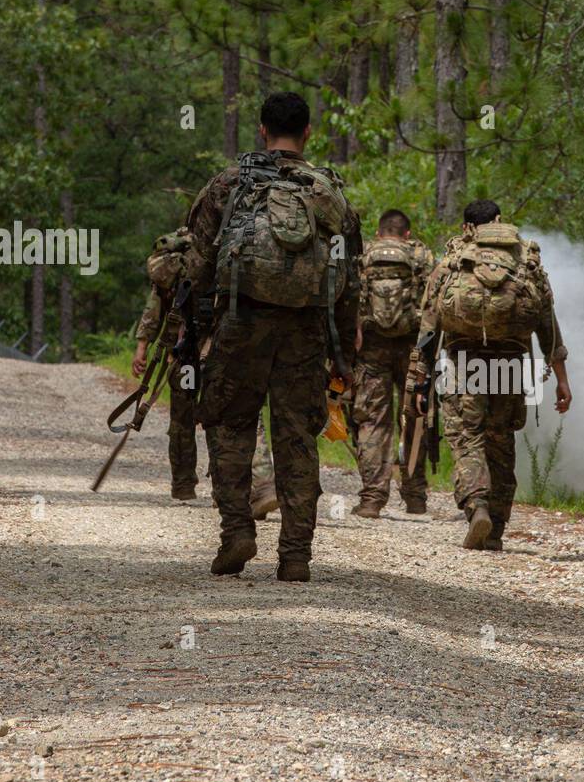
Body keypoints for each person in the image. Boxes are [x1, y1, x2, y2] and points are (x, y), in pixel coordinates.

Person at [182, 91, 361, 581]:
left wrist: (195, 333)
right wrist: (344, 352)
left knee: (230, 425)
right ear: (308, 133)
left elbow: (196, 267)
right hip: (306, 330)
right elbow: (349, 278)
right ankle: (296, 555)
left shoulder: (229, 185)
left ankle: (237, 531)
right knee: (297, 436)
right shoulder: (329, 193)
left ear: (262, 131)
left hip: (241, 321)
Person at [408, 199, 572, 550]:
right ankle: (496, 527)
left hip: (463, 362)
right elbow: (548, 326)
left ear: (468, 227)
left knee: (468, 438)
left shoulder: (454, 261)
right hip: (510, 364)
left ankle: (477, 504)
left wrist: (418, 380)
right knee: (500, 440)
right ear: (498, 221)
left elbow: (428, 326)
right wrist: (561, 379)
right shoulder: (525, 262)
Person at [132, 228, 277, 517]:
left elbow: (156, 304)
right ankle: (237, 486)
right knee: (226, 414)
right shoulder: (237, 250)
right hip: (222, 346)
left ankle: (186, 484)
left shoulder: (180, 257)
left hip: (188, 348)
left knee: (186, 416)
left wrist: (142, 346)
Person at [351, 209, 435, 518]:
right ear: (407, 234)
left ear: (378, 231)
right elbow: (435, 302)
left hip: (371, 348)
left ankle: (372, 499)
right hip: (414, 349)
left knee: (372, 421)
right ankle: (415, 497)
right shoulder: (421, 255)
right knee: (415, 417)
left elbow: (350, 298)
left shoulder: (364, 255)